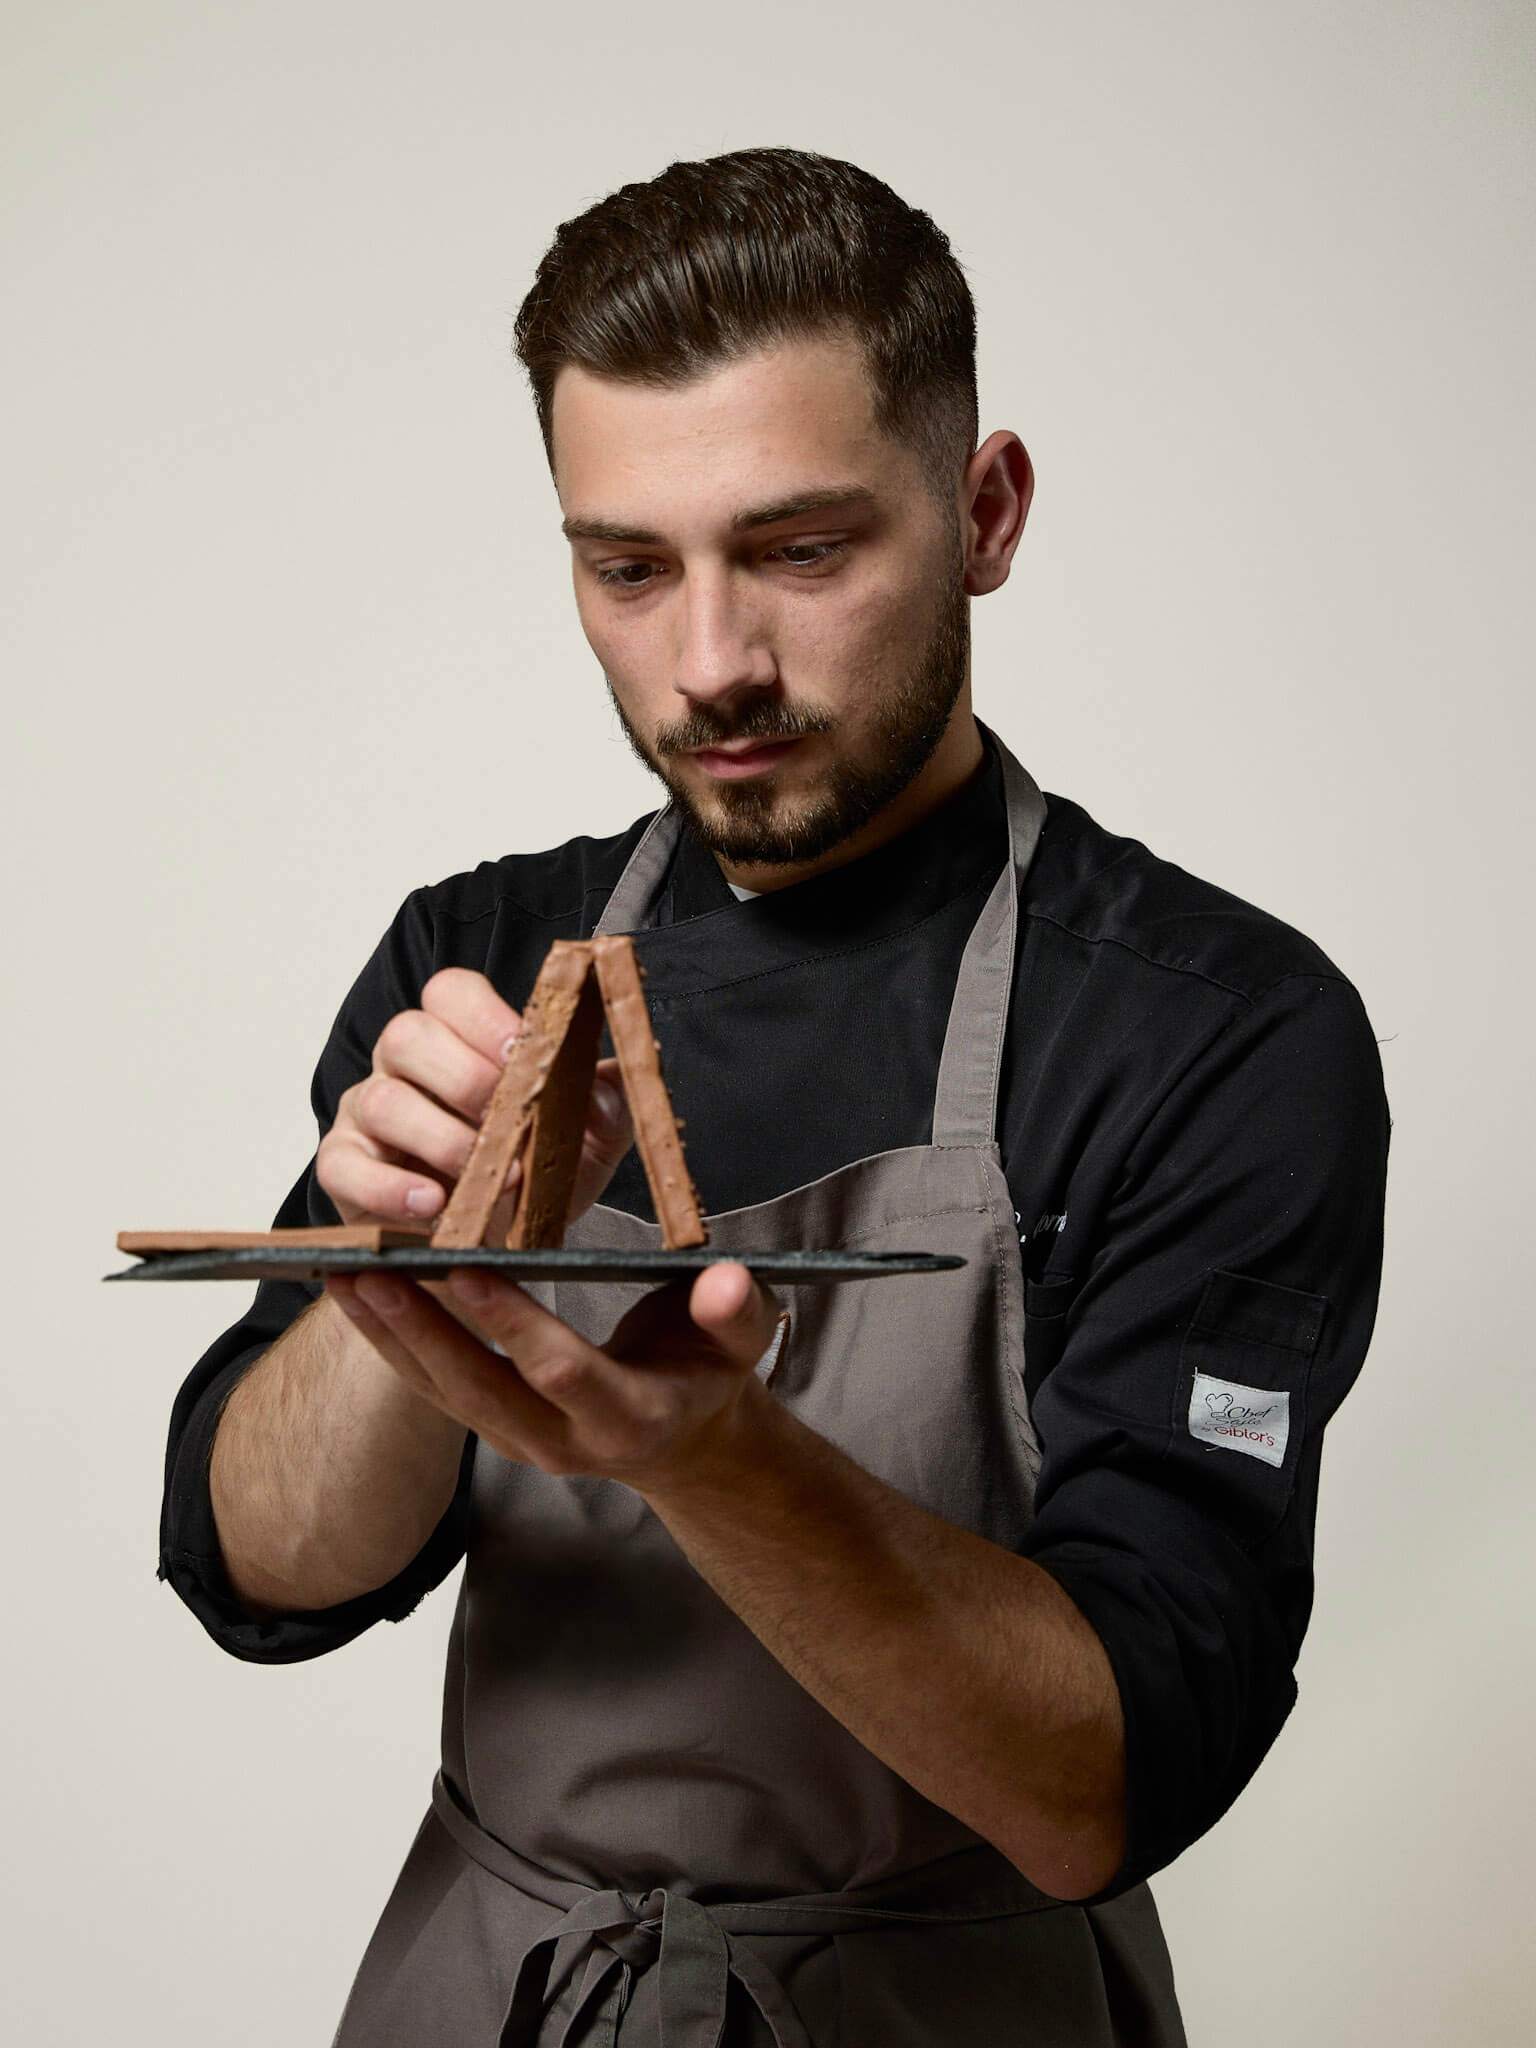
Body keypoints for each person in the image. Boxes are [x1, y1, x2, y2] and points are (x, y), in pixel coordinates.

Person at [159, 148, 1390, 2047]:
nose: (712, 663)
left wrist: (706, 1455)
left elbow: (1107, 1783)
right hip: (494, 1995)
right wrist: (398, 1284)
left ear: (983, 512)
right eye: (628, 569)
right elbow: (254, 1568)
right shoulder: (481, 955)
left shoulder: (1219, 1037)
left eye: (803, 551)